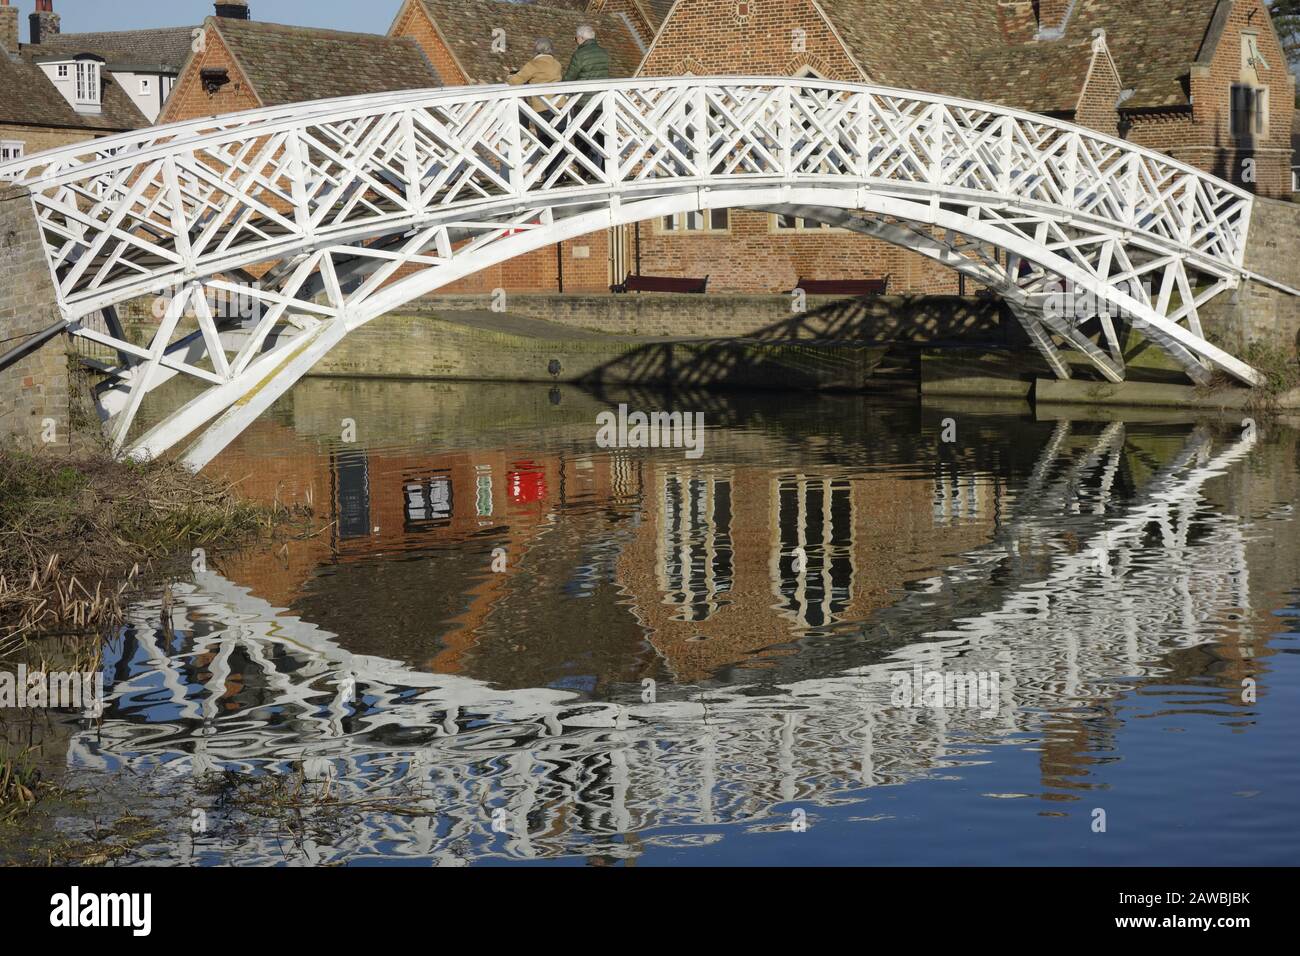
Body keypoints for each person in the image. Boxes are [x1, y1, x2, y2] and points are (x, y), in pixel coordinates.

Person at [562, 24, 611, 174]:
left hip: (584, 101)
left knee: (582, 135)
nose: (575, 41)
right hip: (602, 101)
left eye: (576, 38)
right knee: (602, 135)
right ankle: (605, 169)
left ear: (581, 38)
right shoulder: (604, 53)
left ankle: (585, 171)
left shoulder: (579, 54)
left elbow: (569, 78)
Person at [509, 38, 564, 166]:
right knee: (559, 139)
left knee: (545, 141)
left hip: (542, 107)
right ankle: (560, 172)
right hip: (560, 105)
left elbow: (515, 81)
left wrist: (510, 76)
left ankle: (550, 173)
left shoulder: (533, 65)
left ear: (536, 50)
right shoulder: (557, 64)